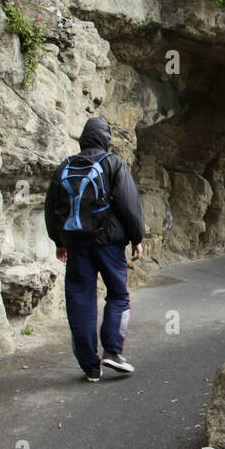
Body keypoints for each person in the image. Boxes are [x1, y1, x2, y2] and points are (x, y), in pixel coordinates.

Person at [43, 117, 145, 381]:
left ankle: (90, 366)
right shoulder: (113, 163)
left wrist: (59, 241)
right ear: (106, 139)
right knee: (118, 295)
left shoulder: (64, 167)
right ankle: (112, 351)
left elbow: (52, 207)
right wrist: (137, 238)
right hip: (109, 245)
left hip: (77, 246)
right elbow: (129, 204)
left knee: (80, 301)